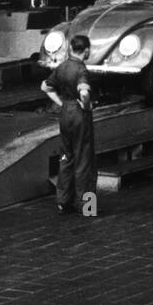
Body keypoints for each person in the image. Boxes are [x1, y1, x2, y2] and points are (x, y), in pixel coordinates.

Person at [42, 34, 96, 215]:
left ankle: (63, 202)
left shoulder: (62, 67)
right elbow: (84, 93)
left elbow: (45, 87)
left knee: (66, 158)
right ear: (86, 50)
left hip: (65, 112)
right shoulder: (81, 70)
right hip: (80, 115)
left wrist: (60, 103)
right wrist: (86, 105)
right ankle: (88, 207)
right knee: (84, 161)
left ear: (71, 49)